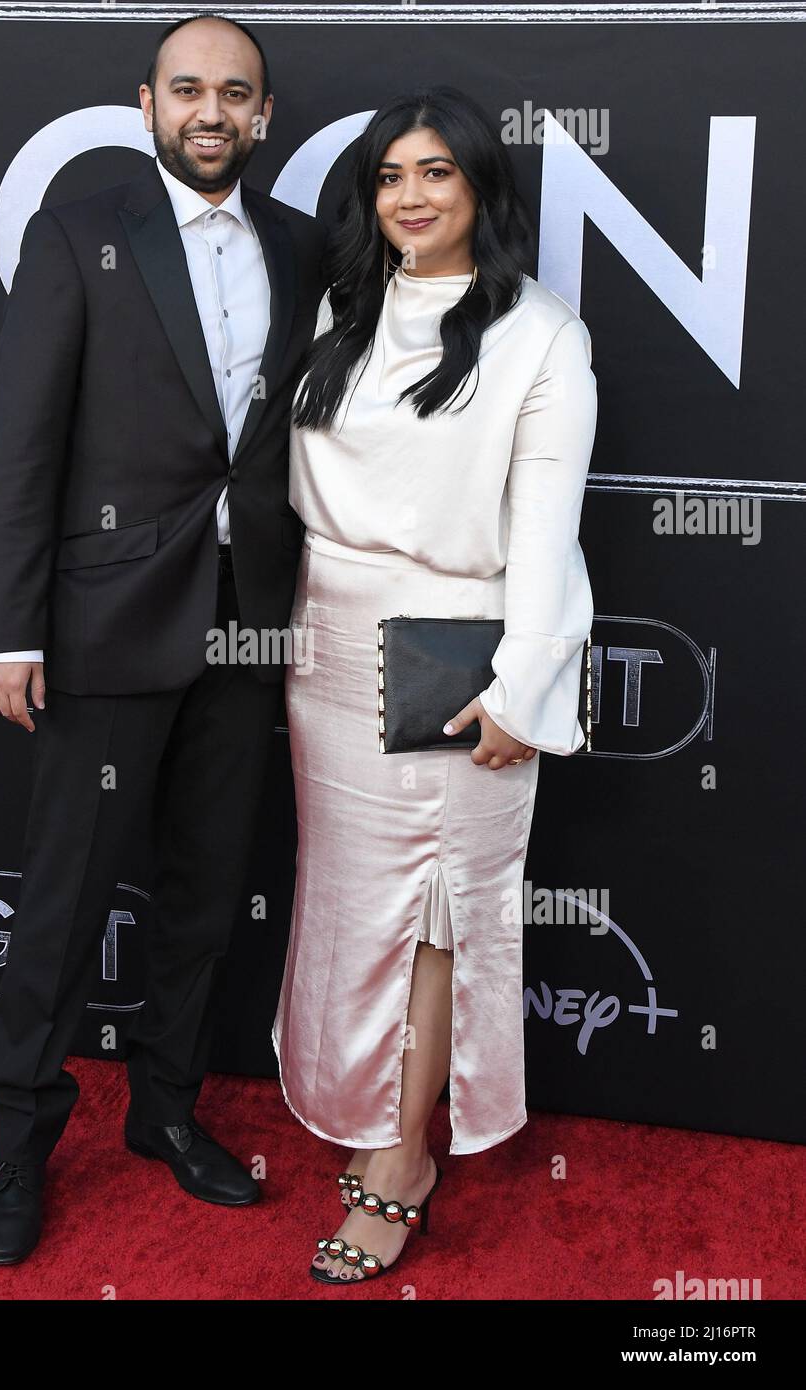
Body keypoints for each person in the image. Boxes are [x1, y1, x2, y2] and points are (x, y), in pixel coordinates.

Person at [0, 13, 325, 1264]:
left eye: (234, 91)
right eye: (188, 89)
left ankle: (164, 1113)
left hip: (246, 625)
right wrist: (7, 627)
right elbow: (22, 446)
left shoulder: (301, 248)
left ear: (264, 114)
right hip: (106, 622)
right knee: (63, 904)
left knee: (203, 891)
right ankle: (17, 1147)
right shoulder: (78, 235)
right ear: (147, 103)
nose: (210, 110)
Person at [271, 87, 598, 1286]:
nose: (410, 196)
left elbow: (546, 529)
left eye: (436, 174)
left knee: (439, 914)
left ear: (477, 191)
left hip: (456, 661)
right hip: (324, 649)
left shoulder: (538, 334)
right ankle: (366, 1113)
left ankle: (402, 1159)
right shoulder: (338, 311)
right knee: (352, 907)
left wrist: (523, 684)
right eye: (390, 176)